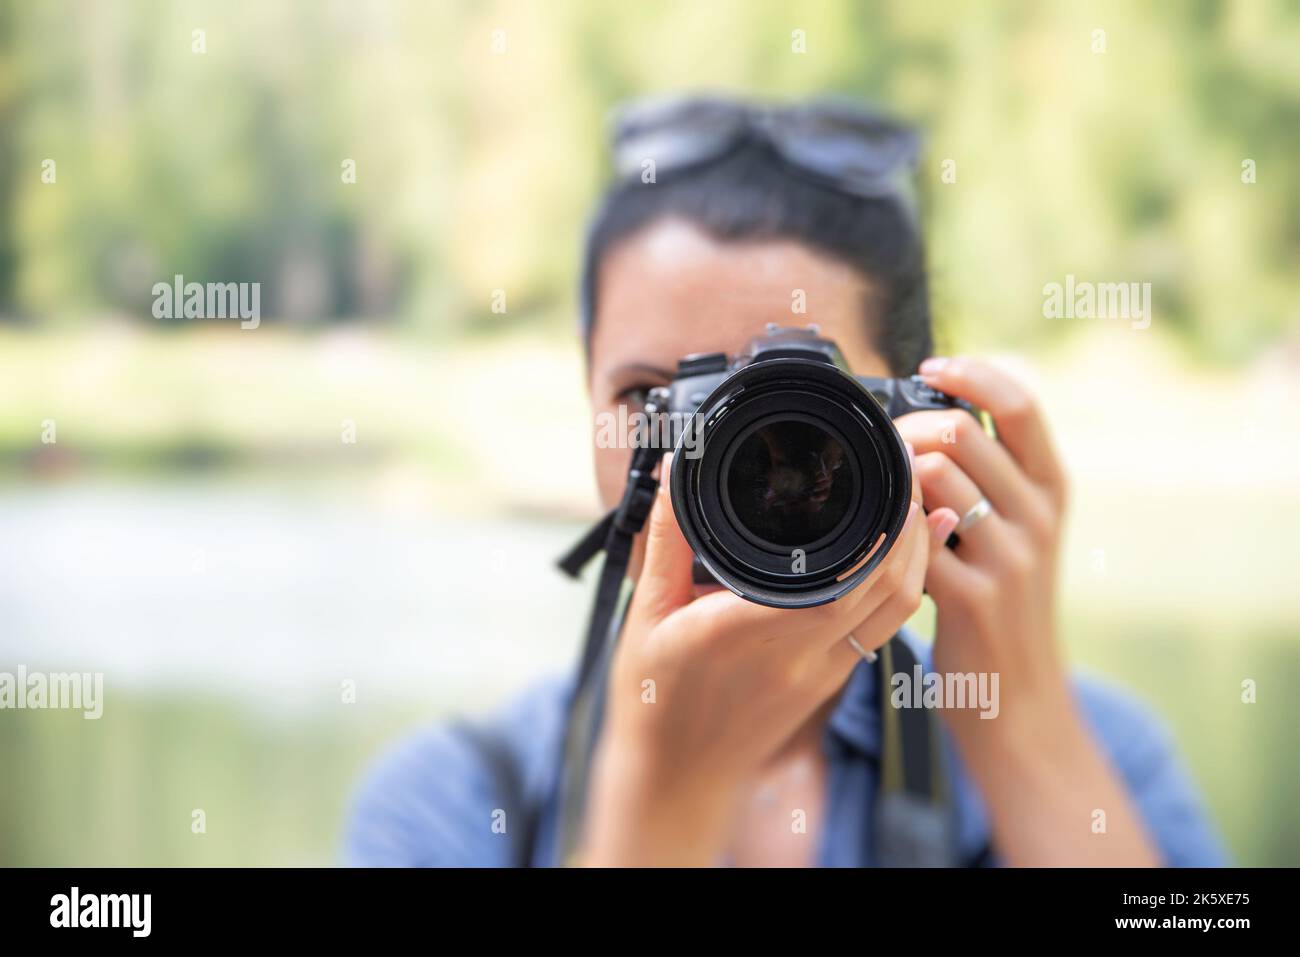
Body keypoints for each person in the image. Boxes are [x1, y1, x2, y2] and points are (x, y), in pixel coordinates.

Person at [345, 96, 1226, 867]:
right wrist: (657, 810)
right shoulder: (457, 804)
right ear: (588, 405)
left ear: (919, 420)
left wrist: (1027, 739)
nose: (733, 465)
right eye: (656, 397)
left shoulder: (1102, 754)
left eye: (804, 419)